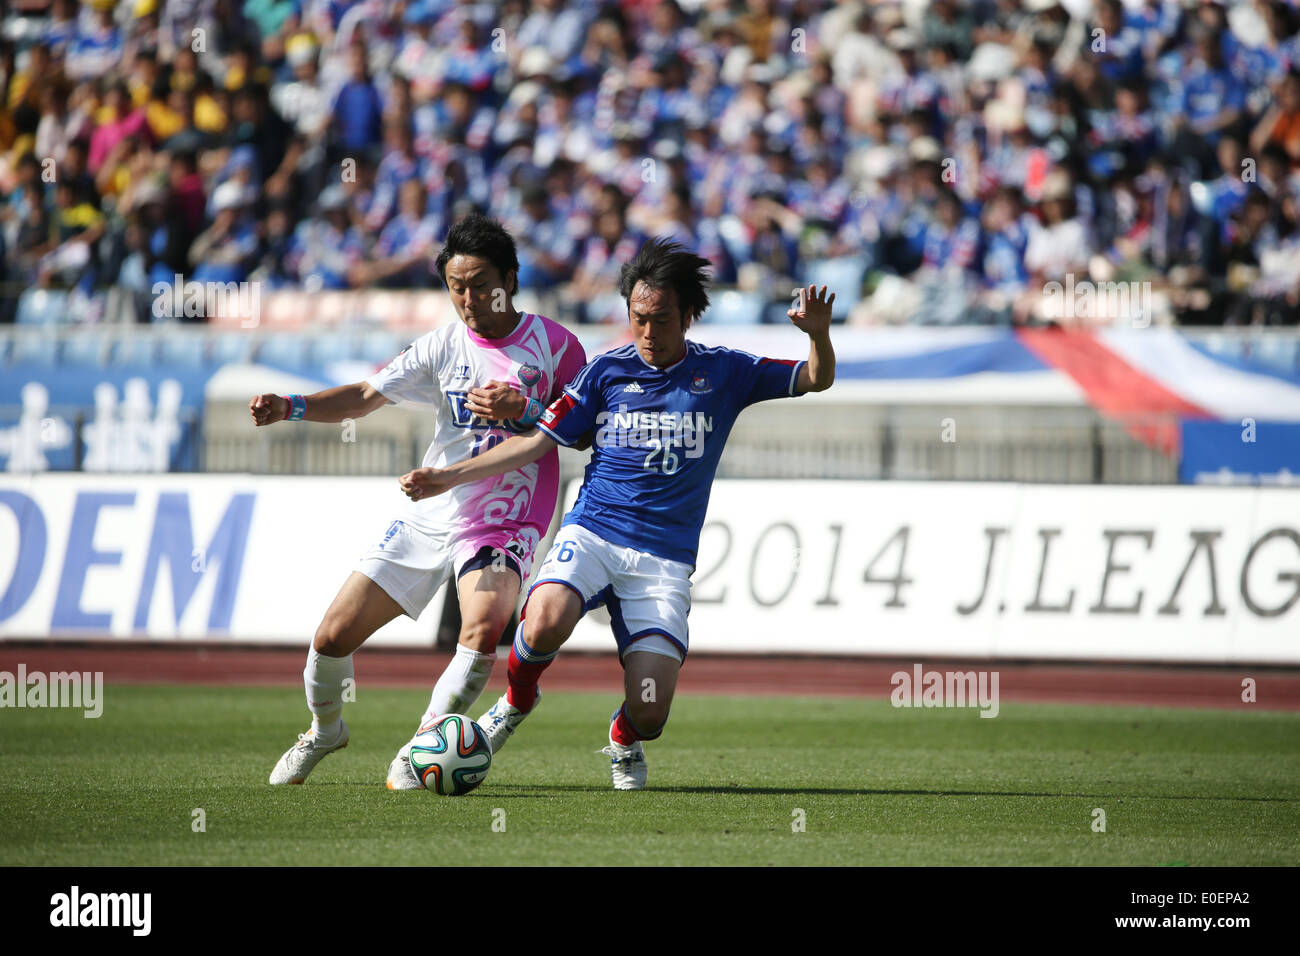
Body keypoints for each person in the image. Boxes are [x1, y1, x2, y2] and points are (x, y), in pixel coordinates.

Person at [398, 238, 836, 789]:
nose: (648, 334)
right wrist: (447, 475)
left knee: (650, 710)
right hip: (594, 532)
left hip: (663, 559)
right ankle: (514, 704)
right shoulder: (605, 373)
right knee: (545, 617)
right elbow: (540, 440)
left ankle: (624, 738)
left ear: (689, 315)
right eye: (638, 319)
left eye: (661, 320)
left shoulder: (727, 372)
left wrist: (818, 333)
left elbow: (817, 378)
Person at [250, 214, 586, 788]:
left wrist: (526, 410)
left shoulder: (556, 347)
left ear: (511, 277)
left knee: (481, 630)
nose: (469, 298)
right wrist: (293, 406)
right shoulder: (441, 346)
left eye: (482, 283)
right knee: (332, 637)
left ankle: (419, 750)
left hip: (506, 518)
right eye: (457, 286)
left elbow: (583, 431)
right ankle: (324, 730)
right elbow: (363, 396)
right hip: (431, 506)